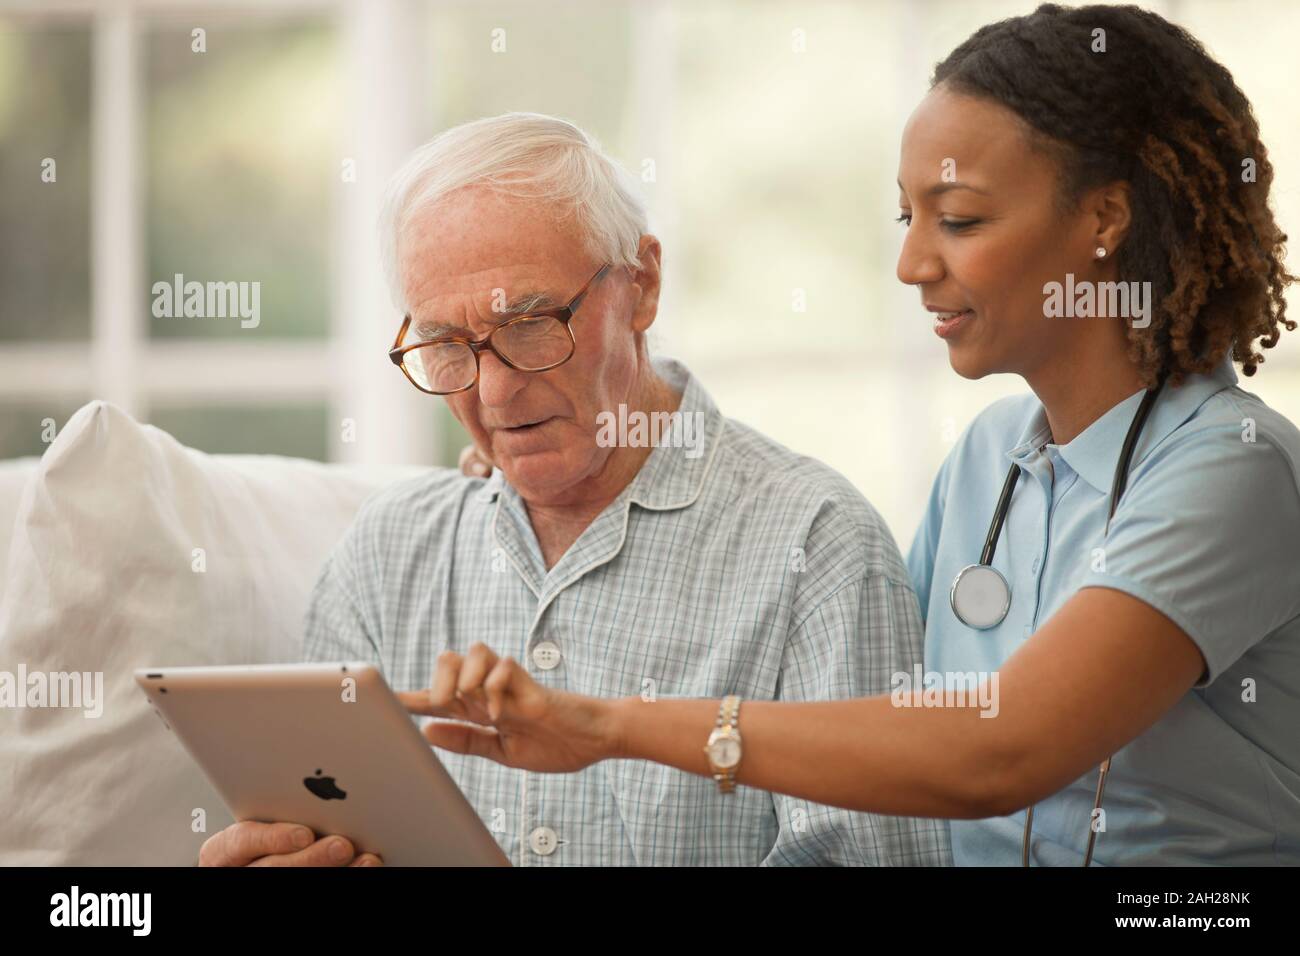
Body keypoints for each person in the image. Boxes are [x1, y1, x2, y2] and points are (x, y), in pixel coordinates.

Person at [414, 4, 1300, 866]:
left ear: (1104, 220)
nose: (913, 264)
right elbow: (882, 714)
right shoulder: (991, 461)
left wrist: (609, 725)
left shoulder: (1234, 473)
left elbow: (999, 750)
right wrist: (561, 458)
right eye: (905, 218)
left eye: (958, 219)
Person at [197, 113, 950, 866]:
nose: (492, 394)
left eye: (527, 324)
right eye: (446, 346)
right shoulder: (385, 554)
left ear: (642, 287)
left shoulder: (817, 546)